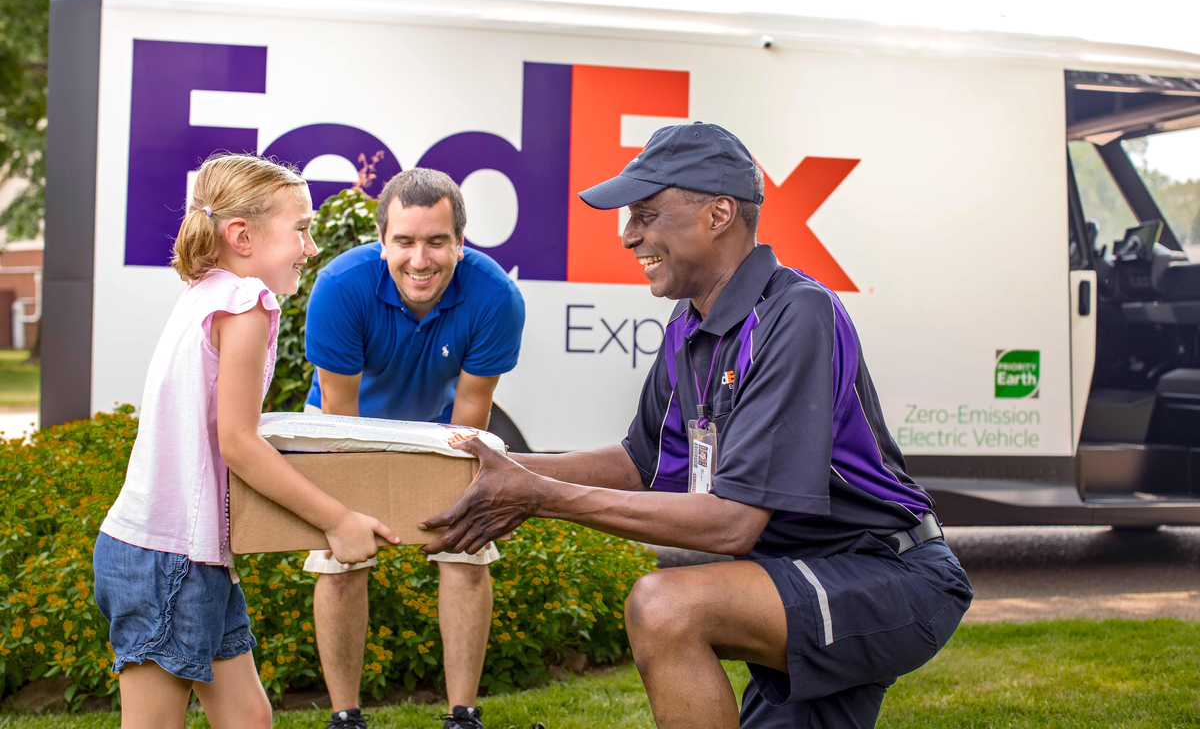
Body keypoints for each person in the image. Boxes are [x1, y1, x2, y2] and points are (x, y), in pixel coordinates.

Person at [420, 124, 973, 729]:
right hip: (802, 574)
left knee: (664, 605)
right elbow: (642, 462)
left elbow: (733, 523)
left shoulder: (796, 313)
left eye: (648, 214)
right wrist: (489, 465)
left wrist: (539, 496)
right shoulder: (688, 325)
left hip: (888, 574)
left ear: (718, 214)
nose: (631, 236)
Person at [94, 154, 399, 729]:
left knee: (250, 721)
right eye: (302, 230)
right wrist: (337, 519)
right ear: (241, 235)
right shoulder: (244, 303)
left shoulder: (205, 291)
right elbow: (237, 441)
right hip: (171, 559)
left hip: (183, 556)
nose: (311, 249)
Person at [302, 168, 525, 729]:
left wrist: (456, 506)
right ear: (383, 243)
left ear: (460, 243)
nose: (419, 259)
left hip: (439, 427)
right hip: (343, 425)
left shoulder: (496, 296)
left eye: (436, 242)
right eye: (404, 241)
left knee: (466, 553)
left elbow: (469, 417)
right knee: (341, 559)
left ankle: (463, 715)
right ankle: (345, 717)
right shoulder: (340, 286)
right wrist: (351, 512)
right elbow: (340, 414)